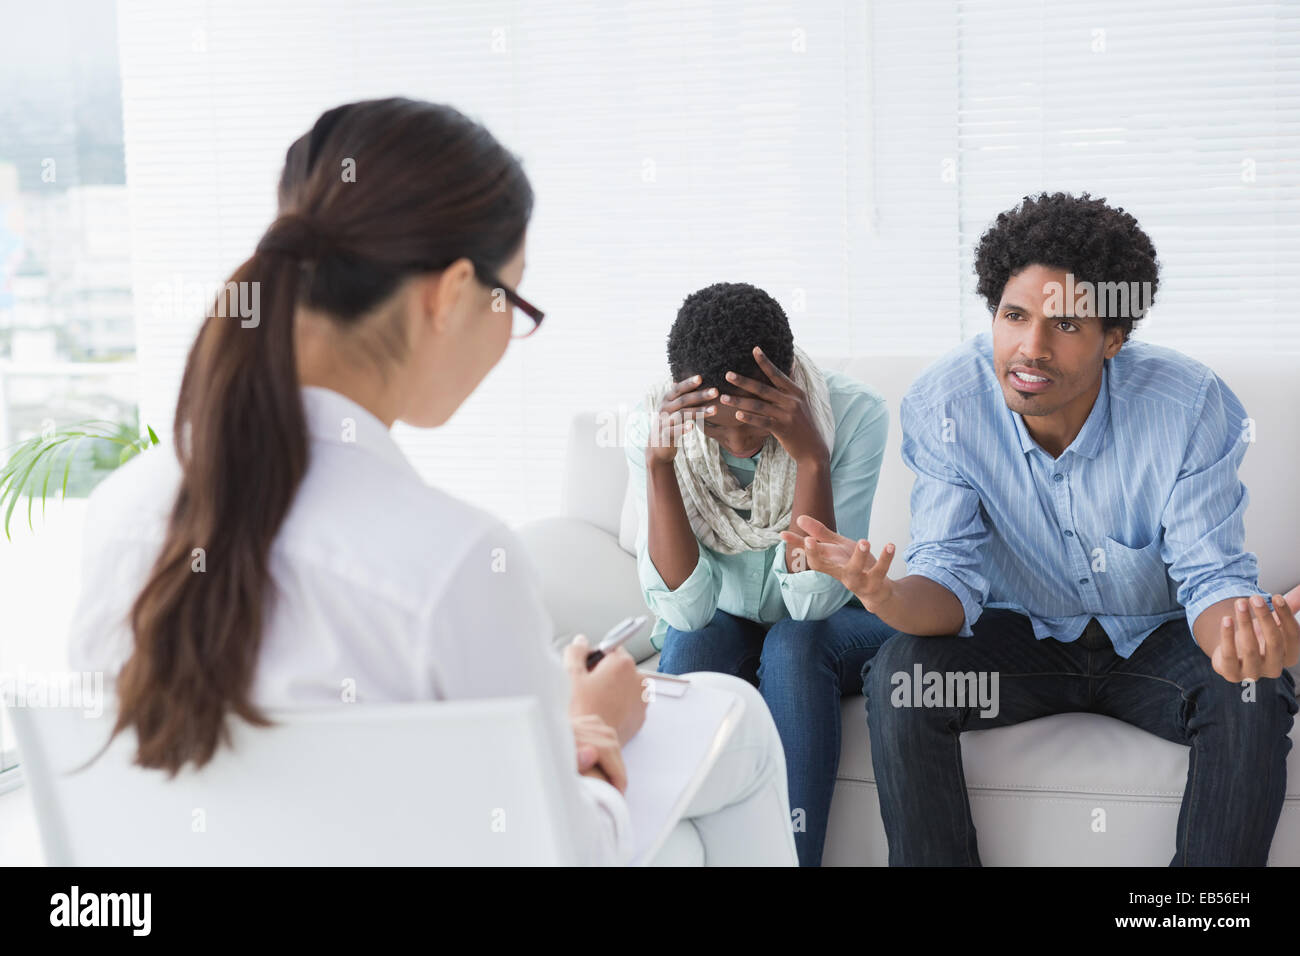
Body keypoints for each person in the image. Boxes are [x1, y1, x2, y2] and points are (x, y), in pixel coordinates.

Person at [65, 97, 797, 866]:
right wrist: (595, 728)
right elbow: (558, 854)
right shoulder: (452, 562)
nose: (509, 337)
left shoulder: (122, 512)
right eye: (512, 301)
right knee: (734, 722)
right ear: (451, 294)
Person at [788, 191, 1300, 866]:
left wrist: (1243, 641)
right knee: (902, 673)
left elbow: (1211, 580)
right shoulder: (948, 405)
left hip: (1153, 638)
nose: (1030, 348)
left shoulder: (1188, 405)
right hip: (1017, 637)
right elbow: (947, 580)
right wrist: (882, 594)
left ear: (1113, 340)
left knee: (1253, 689)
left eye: (1065, 325)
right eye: (1014, 315)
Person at [625, 281, 894, 865]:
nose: (741, 443)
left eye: (756, 420)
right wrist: (658, 466)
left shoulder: (855, 414)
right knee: (695, 642)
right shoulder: (654, 427)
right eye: (717, 428)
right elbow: (684, 610)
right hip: (725, 619)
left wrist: (810, 457)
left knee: (794, 645)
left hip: (834, 622)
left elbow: (814, 602)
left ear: (788, 380)